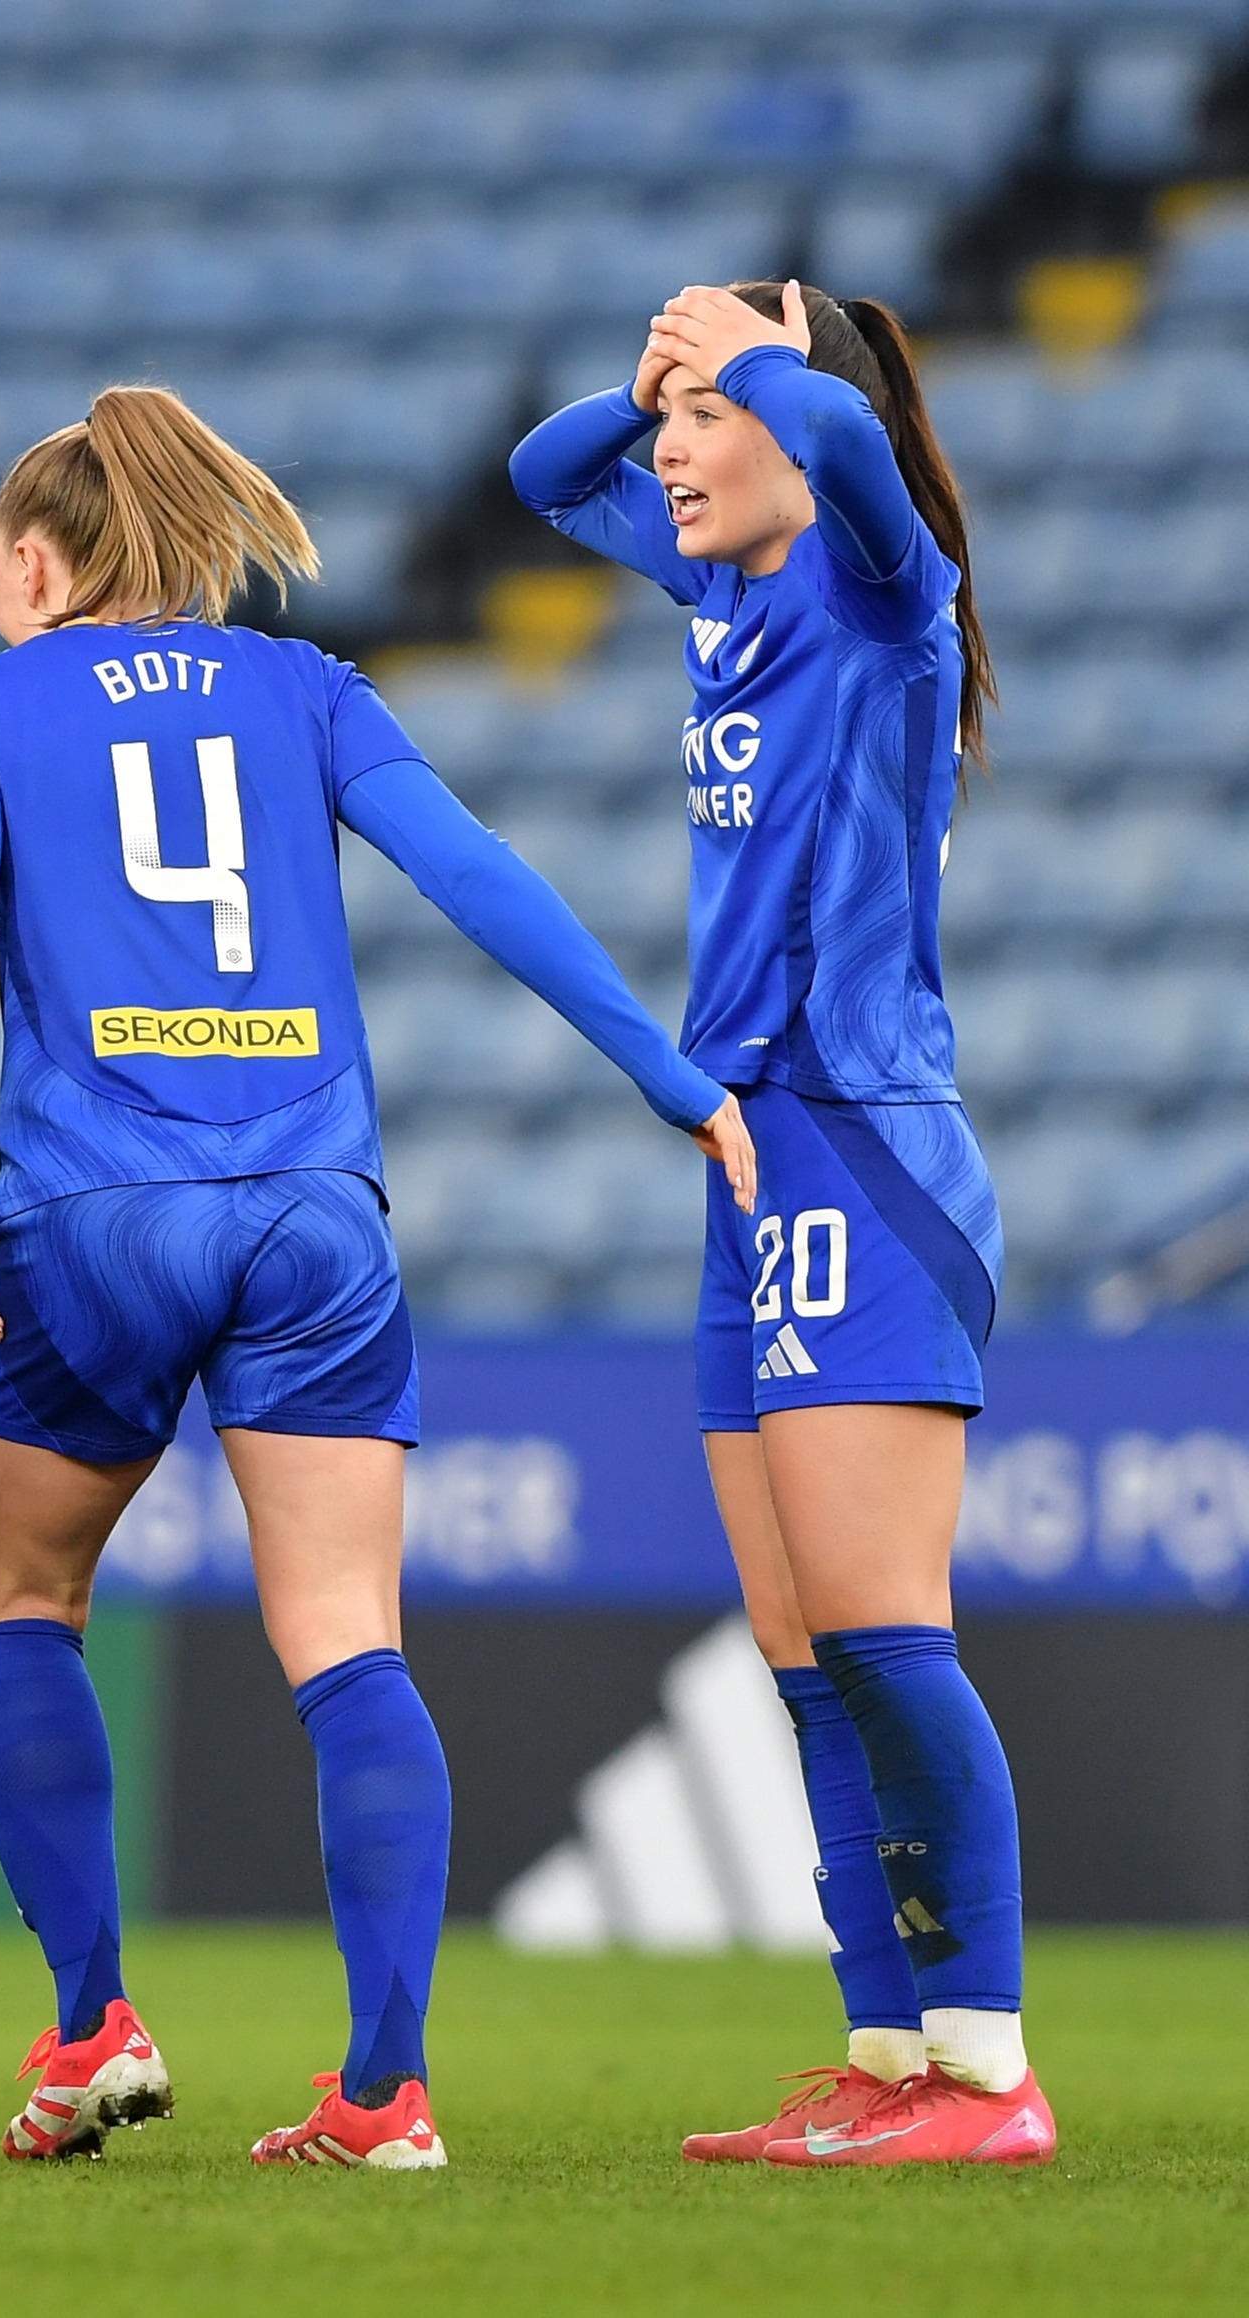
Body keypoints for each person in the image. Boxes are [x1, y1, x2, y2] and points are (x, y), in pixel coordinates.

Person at [0, 385, 753, 2169]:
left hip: (99, 1212)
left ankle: (89, 2024)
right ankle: (385, 2090)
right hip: (314, 1217)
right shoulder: (311, 688)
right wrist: (668, 1076)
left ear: (38, 565)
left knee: (22, 1592)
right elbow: (478, 874)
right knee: (350, 1637)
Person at [511, 282, 1046, 2168]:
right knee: (804, 1646)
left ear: (813, 431)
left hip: (865, 1144)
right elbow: (537, 465)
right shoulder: (726, 593)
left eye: (706, 423)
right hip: (748, 1157)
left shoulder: (890, 597)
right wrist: (666, 381)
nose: (669, 451)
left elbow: (837, 447)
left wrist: (765, 362)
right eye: (674, 422)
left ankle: (990, 2071)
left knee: (890, 1633)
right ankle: (889, 2056)